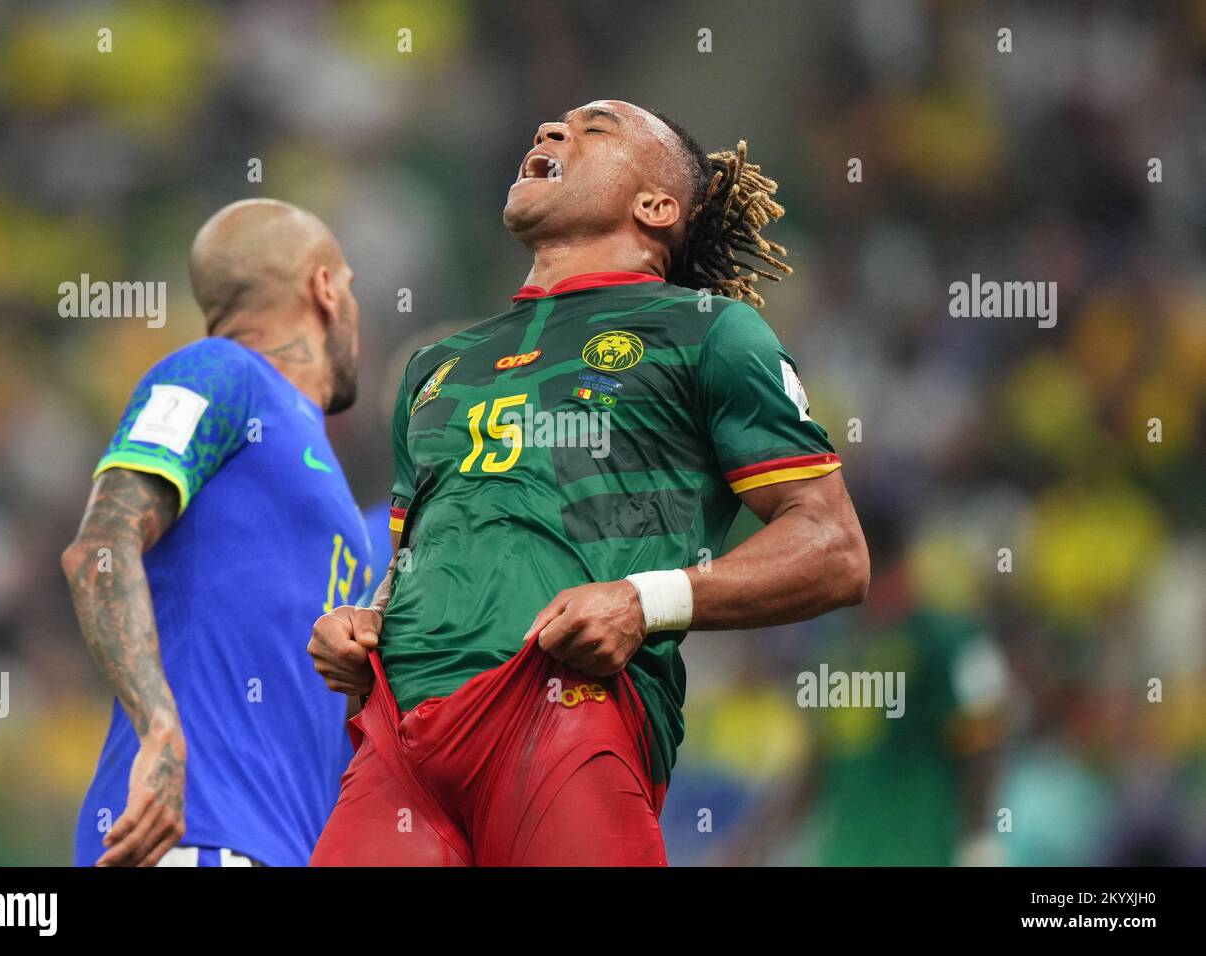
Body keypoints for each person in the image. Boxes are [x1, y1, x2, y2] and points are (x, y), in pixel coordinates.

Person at [308, 101, 868, 866]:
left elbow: (834, 548)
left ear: (656, 205)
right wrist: (366, 622)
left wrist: (646, 602)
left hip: (566, 707)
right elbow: (420, 560)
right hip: (399, 737)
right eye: (550, 124)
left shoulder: (710, 332)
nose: (547, 130)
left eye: (594, 128)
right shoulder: (435, 367)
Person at [63, 199, 372, 866]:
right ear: (323, 286)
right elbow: (101, 544)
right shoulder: (218, 372)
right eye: (350, 286)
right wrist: (161, 728)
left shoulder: (312, 471)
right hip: (196, 839)